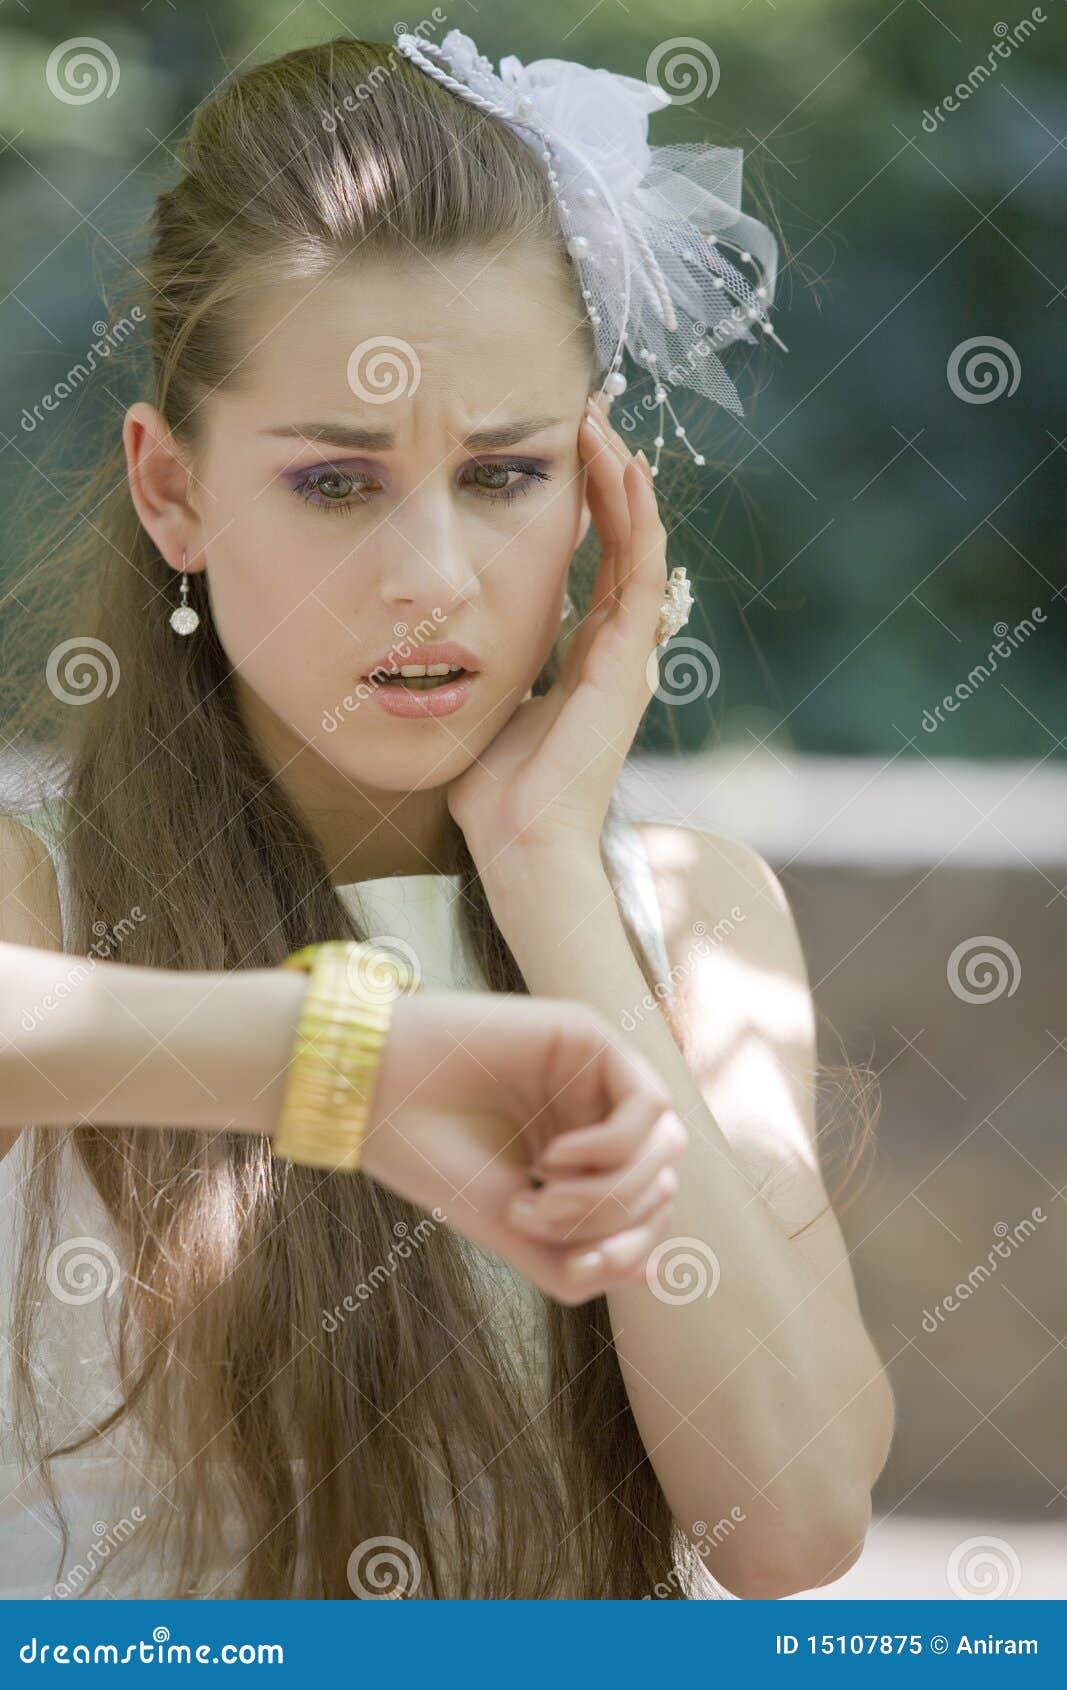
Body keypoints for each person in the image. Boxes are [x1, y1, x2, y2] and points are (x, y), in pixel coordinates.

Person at [0, 31, 893, 1601]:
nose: (434, 575)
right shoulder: (34, 886)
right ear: (172, 491)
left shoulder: (697, 910)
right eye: (338, 483)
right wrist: (344, 1060)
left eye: (504, 474)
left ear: (602, 488)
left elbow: (794, 1519)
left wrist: (549, 867)